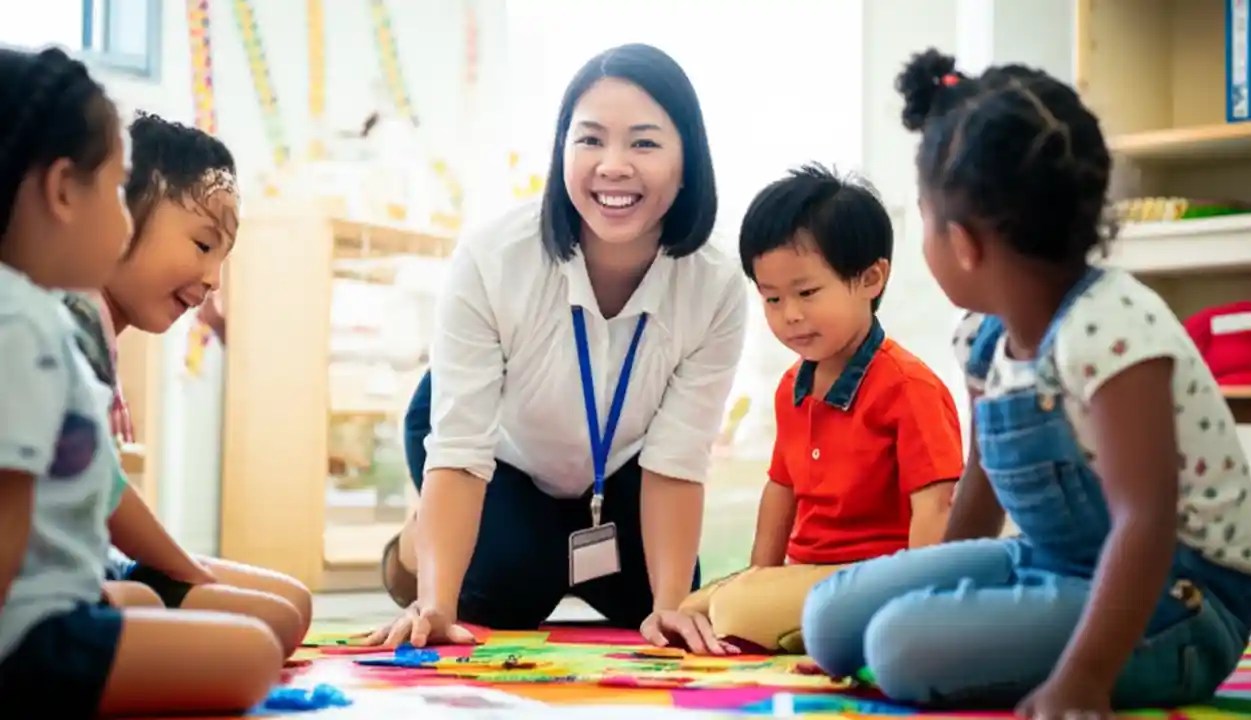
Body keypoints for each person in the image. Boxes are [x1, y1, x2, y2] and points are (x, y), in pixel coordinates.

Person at [800, 48, 1251, 716]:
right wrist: (940, 583)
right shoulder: (984, 336)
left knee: (900, 650)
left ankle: (1083, 655)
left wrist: (1082, 678)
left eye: (924, 215)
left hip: (1179, 598)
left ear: (964, 243)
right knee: (830, 620)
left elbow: (1146, 520)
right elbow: (984, 478)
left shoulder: (1112, 327)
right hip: (1053, 562)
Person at [367, 43, 748, 654]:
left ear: (687, 162)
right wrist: (436, 601)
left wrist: (669, 605)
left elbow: (677, 459)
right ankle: (416, 544)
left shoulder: (718, 286)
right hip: (494, 446)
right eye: (590, 139)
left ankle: (536, 546)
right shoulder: (494, 258)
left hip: (619, 463)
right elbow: (462, 446)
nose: (613, 166)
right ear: (561, 149)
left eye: (644, 143)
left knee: (656, 602)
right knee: (501, 592)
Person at [0, 46, 280, 717]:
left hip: (50, 600)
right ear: (64, 190)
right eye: (117, 192)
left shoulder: (33, 314)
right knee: (253, 655)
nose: (123, 221)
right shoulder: (26, 324)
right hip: (29, 634)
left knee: (243, 635)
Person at [677, 165, 961, 652]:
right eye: (771, 298)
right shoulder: (793, 386)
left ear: (871, 278)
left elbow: (935, 506)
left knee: (736, 611)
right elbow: (781, 490)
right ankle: (789, 618)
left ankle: (835, 628)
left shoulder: (909, 387)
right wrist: (759, 575)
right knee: (688, 610)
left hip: (880, 577)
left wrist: (921, 609)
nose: (789, 315)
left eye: (807, 293)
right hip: (805, 575)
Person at [60, 112, 311, 653]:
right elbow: (103, 491)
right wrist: (185, 568)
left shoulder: (99, 331)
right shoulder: (66, 316)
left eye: (223, 259)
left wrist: (184, 569)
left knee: (292, 607)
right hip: (55, 572)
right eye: (203, 246)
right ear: (118, 214)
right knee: (261, 633)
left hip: (98, 560)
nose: (212, 281)